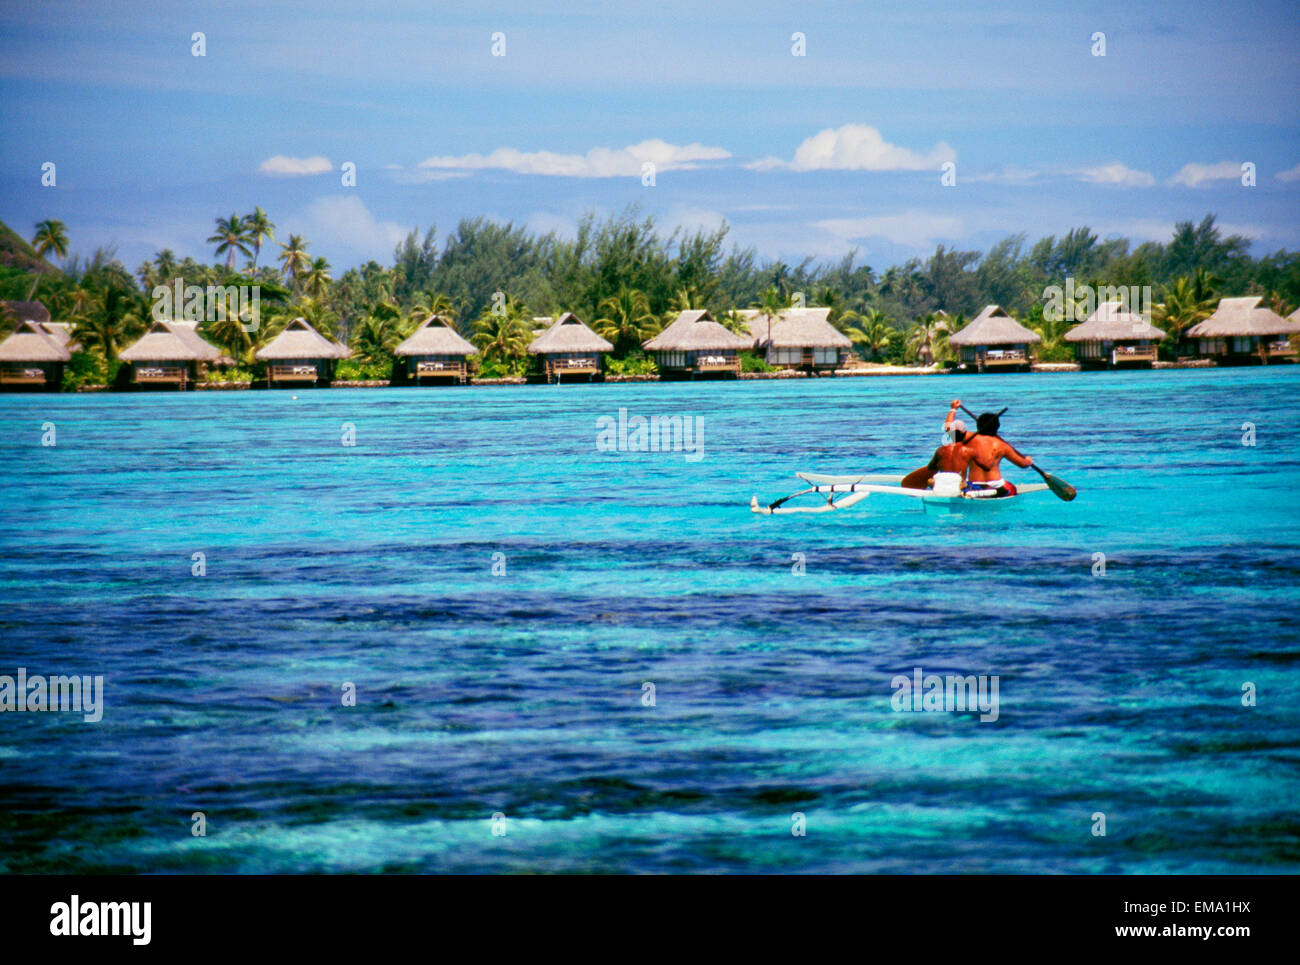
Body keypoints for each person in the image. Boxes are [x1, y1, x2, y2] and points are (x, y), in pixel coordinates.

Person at [964, 408, 1032, 497]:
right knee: (1012, 488)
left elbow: (949, 433)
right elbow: (1022, 464)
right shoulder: (1002, 445)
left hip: (974, 483)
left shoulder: (968, 439)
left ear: (978, 426)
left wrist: (953, 410)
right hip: (996, 485)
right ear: (997, 427)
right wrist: (1028, 461)